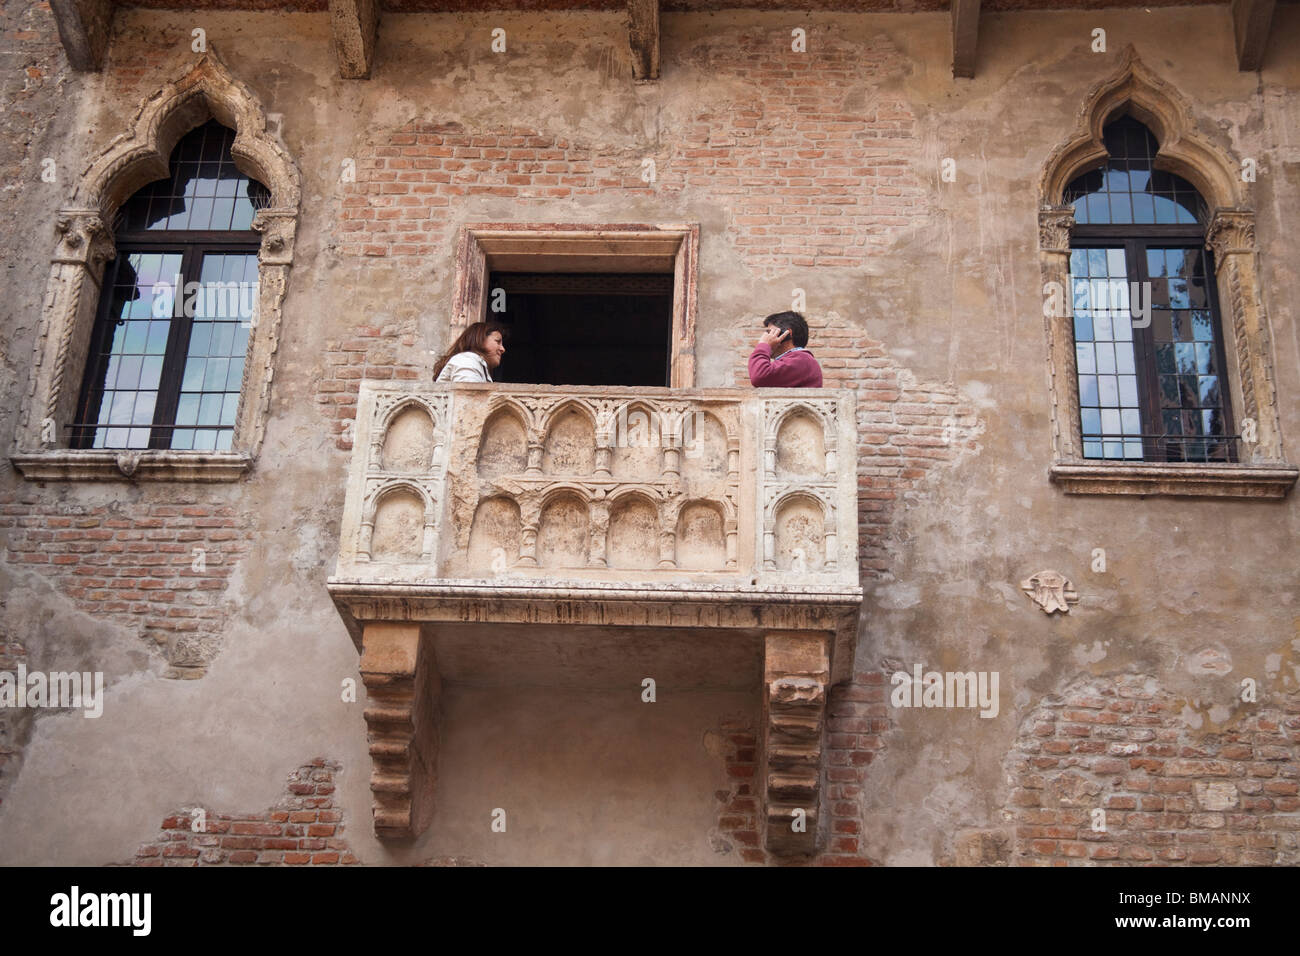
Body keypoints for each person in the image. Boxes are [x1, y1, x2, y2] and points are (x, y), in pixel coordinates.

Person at [747, 311, 822, 388]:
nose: (767, 336)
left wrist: (764, 344)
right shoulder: (797, 359)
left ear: (787, 333)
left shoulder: (802, 360)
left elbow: (759, 376)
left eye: (771, 332)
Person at [433, 321, 506, 382]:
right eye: (498, 341)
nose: (502, 349)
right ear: (480, 340)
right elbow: (468, 396)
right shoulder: (467, 360)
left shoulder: (473, 362)